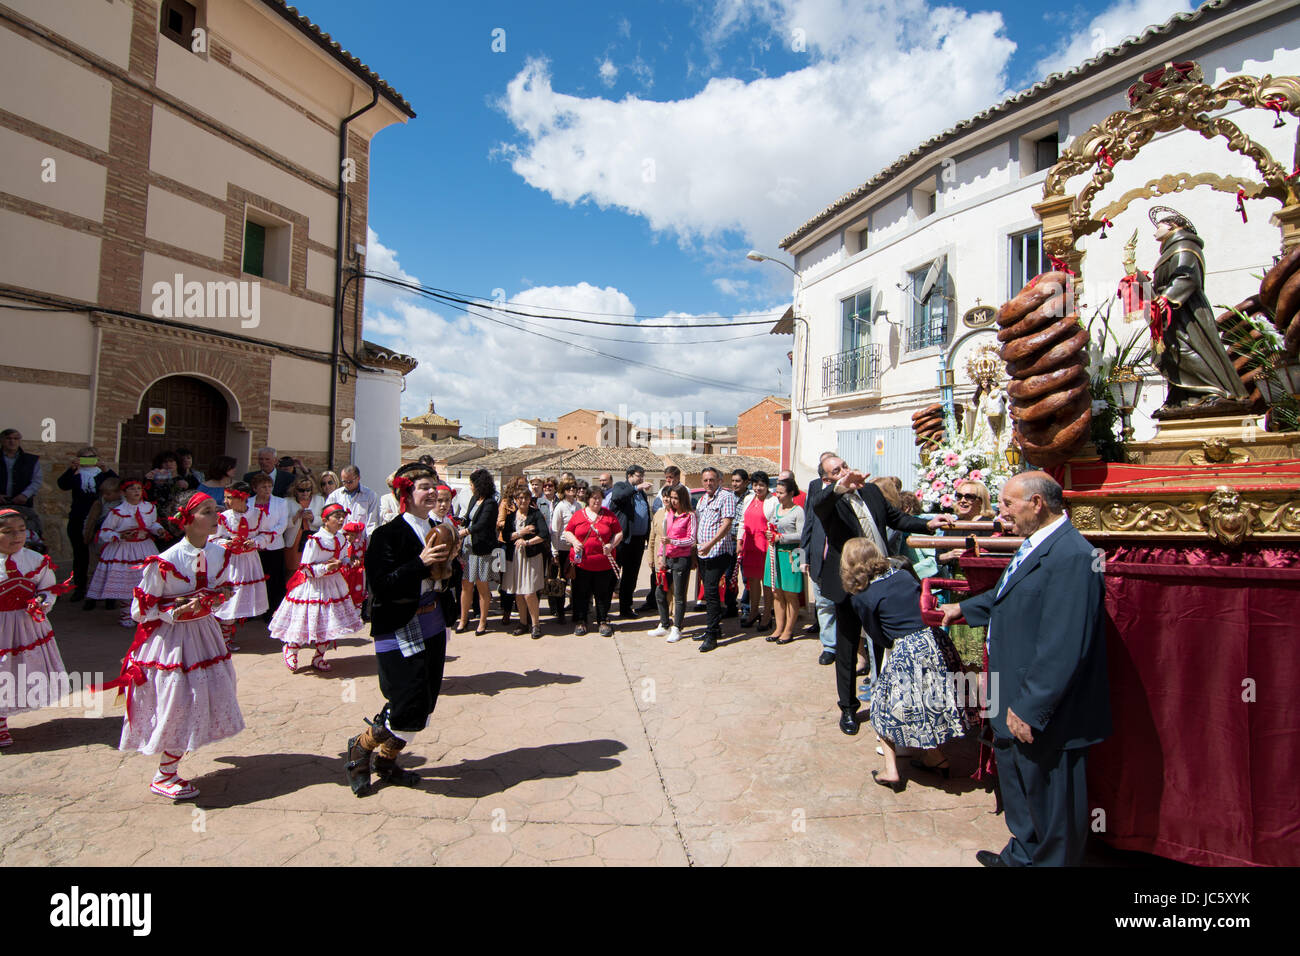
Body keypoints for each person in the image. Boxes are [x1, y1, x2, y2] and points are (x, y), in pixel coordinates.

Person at [937, 472, 1108, 866]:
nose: (1001, 510)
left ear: (1037, 503)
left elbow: (1064, 644)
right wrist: (965, 608)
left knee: (1050, 802)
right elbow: (1009, 595)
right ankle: (1022, 856)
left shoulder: (1073, 556)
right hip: (1011, 691)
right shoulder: (1037, 543)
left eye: (1008, 503)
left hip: (1043, 709)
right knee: (1020, 788)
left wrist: (1032, 708)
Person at [109, 493, 242, 800]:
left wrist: (216, 597)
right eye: (207, 512)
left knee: (203, 696)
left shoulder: (220, 553)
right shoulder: (165, 562)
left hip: (205, 635)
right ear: (187, 520)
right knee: (179, 701)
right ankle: (164, 774)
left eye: (216, 510)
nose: (216, 516)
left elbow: (223, 589)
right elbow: (139, 611)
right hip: (172, 642)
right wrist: (173, 612)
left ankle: (168, 768)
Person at [810, 456, 952, 735]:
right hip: (848, 581)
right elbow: (819, 504)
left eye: (844, 466)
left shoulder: (871, 491)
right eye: (835, 471)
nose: (845, 472)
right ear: (828, 479)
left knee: (882, 641)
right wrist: (840, 486)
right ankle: (848, 708)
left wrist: (928, 524)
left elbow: (896, 518)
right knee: (849, 645)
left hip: (880, 578)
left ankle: (883, 698)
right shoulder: (828, 498)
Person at [344, 462, 458, 796]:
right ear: (404, 493)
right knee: (405, 702)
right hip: (398, 626)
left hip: (433, 622)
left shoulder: (441, 527)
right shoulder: (386, 535)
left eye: (434, 486)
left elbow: (451, 575)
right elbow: (381, 585)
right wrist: (419, 563)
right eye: (424, 486)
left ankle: (387, 760)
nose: (432, 492)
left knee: (425, 704)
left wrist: (451, 565)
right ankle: (361, 749)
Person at [845, 537, 970, 791]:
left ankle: (892, 771)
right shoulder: (902, 576)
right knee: (930, 704)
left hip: (907, 650)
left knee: (881, 708)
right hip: (935, 640)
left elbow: (878, 636)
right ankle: (937, 758)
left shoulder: (862, 596)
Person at [1144, 207, 1250, 416]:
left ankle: (1216, 390)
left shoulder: (1185, 246)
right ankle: (1186, 396)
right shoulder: (1170, 250)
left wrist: (1168, 296)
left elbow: (1187, 276)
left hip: (1186, 311)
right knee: (1173, 352)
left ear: (1173, 225)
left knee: (1188, 349)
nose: (1155, 231)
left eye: (1159, 226)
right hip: (1171, 312)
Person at [0, 509, 72, 748]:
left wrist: (42, 602)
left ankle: (2, 719)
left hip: (25, 627)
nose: (16, 536)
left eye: (21, 530)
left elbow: (49, 588)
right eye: (7, 531)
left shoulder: (35, 560)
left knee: (13, 671)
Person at [269, 502, 363, 673]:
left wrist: (349, 561)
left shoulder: (341, 538)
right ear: (325, 520)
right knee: (306, 620)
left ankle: (319, 656)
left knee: (329, 622)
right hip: (313, 586)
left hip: (333, 585)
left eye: (343, 516)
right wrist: (326, 568)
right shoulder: (316, 540)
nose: (341, 520)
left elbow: (342, 558)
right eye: (337, 517)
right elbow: (305, 567)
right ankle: (292, 648)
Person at [936, 479, 998, 667]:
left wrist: (970, 557)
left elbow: (994, 558)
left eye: (969, 496)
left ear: (980, 501)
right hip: (956, 587)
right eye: (959, 496)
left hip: (979, 588)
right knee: (958, 640)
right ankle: (963, 691)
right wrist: (951, 555)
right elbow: (939, 556)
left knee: (979, 645)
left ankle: (985, 691)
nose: (962, 500)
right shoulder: (952, 526)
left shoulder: (988, 525)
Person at [87, 479, 164, 627]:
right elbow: (105, 531)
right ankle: (126, 614)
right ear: (124, 493)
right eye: (132, 489)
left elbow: (152, 523)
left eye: (139, 489)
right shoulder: (118, 512)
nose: (136, 492)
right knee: (126, 583)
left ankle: (142, 612)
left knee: (145, 580)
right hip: (124, 549)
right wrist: (120, 536)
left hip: (144, 547)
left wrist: (158, 529)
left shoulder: (149, 508)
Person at [210, 482, 269, 651]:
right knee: (229, 597)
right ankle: (221, 639)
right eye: (226, 497)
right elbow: (213, 538)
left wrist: (255, 542)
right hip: (230, 562)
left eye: (230, 497)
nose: (226, 501)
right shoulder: (224, 517)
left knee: (239, 598)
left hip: (249, 561)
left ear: (242, 498)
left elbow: (266, 534)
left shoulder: (258, 514)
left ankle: (226, 637)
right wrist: (228, 543)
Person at [56, 446, 117, 602]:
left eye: (92, 457)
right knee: (80, 554)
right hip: (78, 517)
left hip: (100, 518)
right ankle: (80, 588)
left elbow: (117, 485)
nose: (88, 460)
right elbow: (62, 485)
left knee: (103, 555)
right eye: (84, 457)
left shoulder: (101, 475)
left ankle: (105, 592)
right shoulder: (76, 474)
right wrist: (72, 468)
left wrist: (106, 470)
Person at [563, 487, 622, 637]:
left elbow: (619, 533)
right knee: (581, 593)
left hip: (603, 564)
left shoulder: (609, 515)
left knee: (602, 594)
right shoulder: (578, 515)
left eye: (599, 498)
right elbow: (568, 531)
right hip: (582, 563)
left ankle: (602, 621)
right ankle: (581, 621)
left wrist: (611, 544)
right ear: (588, 499)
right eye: (594, 498)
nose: (597, 501)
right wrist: (575, 542)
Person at [693, 466, 736, 653]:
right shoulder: (703, 499)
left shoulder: (726, 497)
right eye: (705, 480)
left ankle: (711, 635)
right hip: (703, 553)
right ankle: (714, 628)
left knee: (711, 592)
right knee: (709, 591)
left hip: (718, 552)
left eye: (712, 480)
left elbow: (727, 524)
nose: (708, 483)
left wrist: (710, 543)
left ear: (719, 480)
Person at [802, 453, 838, 665]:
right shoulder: (815, 488)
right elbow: (809, 522)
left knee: (840, 605)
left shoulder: (847, 492)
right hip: (818, 557)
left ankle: (845, 643)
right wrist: (804, 554)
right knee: (823, 605)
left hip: (839, 559)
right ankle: (829, 646)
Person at [648, 484, 695, 643]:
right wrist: (660, 555)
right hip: (667, 558)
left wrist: (673, 541)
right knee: (660, 591)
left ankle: (677, 628)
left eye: (676, 498)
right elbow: (663, 539)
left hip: (681, 559)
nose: (673, 501)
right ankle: (664, 623)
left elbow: (691, 539)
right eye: (671, 498)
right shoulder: (669, 515)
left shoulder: (690, 516)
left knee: (679, 595)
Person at [502, 483, 549, 638]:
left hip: (531, 557)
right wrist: (521, 532)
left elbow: (544, 535)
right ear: (515, 500)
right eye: (520, 498)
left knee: (529, 592)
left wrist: (527, 541)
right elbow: (506, 536)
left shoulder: (536, 515)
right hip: (514, 558)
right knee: (518, 593)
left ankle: (536, 624)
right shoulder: (510, 517)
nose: (523, 501)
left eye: (526, 498)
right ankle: (523, 622)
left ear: (530, 499)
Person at [456, 468, 499, 636]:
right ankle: (464, 619)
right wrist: (460, 522)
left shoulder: (490, 503)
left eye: (472, 484)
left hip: (481, 550)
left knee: (482, 586)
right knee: (466, 585)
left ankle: (482, 621)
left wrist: (465, 531)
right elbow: (468, 517)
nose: (470, 487)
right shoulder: (475, 499)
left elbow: (481, 524)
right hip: (468, 548)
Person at [606, 464, 651, 618]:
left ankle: (625, 608)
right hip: (622, 541)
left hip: (637, 542)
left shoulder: (641, 494)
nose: (642, 478)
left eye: (643, 475)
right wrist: (637, 488)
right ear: (630, 475)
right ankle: (604, 610)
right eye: (639, 475)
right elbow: (618, 497)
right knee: (612, 575)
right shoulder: (621, 486)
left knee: (631, 577)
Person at [764, 476, 805, 645]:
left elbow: (802, 535)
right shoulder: (777, 509)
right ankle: (778, 628)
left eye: (781, 493)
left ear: (791, 493)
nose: (777, 495)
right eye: (777, 492)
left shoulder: (798, 511)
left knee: (791, 594)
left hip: (793, 555)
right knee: (776, 592)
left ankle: (789, 630)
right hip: (774, 553)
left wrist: (781, 537)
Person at [737, 470, 774, 629]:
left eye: (762, 485)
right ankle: (753, 612)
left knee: (766, 581)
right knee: (752, 581)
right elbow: (742, 521)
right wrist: (739, 540)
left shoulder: (773, 501)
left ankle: (766, 614)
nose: (758, 488)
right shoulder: (748, 499)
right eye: (756, 485)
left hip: (764, 545)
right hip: (749, 544)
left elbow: (775, 522)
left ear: (767, 486)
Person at [249, 472, 288, 620]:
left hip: (274, 545)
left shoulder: (280, 502)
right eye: (263, 486)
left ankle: (272, 611)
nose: (267, 489)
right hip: (254, 546)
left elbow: (282, 524)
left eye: (269, 486)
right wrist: (256, 539)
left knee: (274, 579)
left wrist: (267, 537)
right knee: (255, 578)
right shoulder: (248, 502)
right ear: (255, 488)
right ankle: (253, 611)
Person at [548, 479, 579, 623]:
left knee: (576, 581)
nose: (572, 490)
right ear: (563, 490)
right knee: (561, 581)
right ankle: (560, 612)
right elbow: (555, 530)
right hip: (562, 549)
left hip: (576, 549)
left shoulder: (578, 506)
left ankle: (576, 610)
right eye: (568, 488)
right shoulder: (560, 507)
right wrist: (554, 551)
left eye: (574, 487)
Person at [283, 476, 324, 576]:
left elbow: (325, 521)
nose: (305, 493)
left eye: (308, 490)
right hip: (294, 540)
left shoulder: (319, 500)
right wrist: (296, 517)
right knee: (292, 570)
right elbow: (282, 524)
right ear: (295, 490)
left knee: (311, 569)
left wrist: (312, 518)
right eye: (301, 490)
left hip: (312, 537)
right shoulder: (287, 501)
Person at [326, 465, 380, 535]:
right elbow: (328, 518)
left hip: (361, 541)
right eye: (344, 482)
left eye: (350, 482)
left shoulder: (370, 496)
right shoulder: (335, 496)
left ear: (358, 478)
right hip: (340, 540)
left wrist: (370, 541)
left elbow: (372, 522)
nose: (347, 485)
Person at [0, 428, 42, 511]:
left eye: (15, 438)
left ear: (19, 441)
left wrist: (25, 495)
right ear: (1, 440)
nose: (12, 441)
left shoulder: (31, 460)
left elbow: (37, 480)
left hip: (22, 504)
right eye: (8, 438)